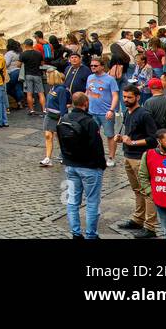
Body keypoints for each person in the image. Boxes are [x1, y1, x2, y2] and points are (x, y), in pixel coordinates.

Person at [57, 91, 106, 239]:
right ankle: (91, 234)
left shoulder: (64, 119)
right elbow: (97, 147)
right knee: (92, 202)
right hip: (89, 167)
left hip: (71, 165)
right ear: (86, 103)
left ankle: (76, 233)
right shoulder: (89, 122)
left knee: (72, 201)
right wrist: (101, 165)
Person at [115, 84, 159, 238]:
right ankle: (138, 219)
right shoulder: (127, 112)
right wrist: (122, 139)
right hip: (128, 157)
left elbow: (153, 140)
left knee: (148, 193)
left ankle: (150, 227)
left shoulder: (144, 114)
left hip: (141, 158)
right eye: (124, 97)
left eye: (129, 97)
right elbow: (129, 135)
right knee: (137, 190)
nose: (126, 100)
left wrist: (132, 142)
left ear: (138, 97)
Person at [86, 56, 120, 167]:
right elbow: (87, 92)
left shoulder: (110, 79)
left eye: (95, 65)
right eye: (91, 65)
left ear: (102, 66)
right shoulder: (90, 77)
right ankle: (96, 155)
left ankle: (111, 157)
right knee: (93, 135)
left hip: (106, 112)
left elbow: (115, 95)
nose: (93, 67)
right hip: (92, 112)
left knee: (110, 135)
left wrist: (111, 110)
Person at [39, 69, 68, 167]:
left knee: (59, 137)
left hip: (57, 116)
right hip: (49, 114)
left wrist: (62, 118)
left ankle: (64, 155)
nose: (47, 79)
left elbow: (63, 105)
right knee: (48, 135)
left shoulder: (61, 89)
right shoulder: (53, 88)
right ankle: (48, 158)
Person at [19, 40, 46, 116]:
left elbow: (18, 64)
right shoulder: (38, 53)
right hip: (37, 74)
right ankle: (44, 109)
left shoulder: (23, 54)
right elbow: (42, 63)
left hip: (28, 75)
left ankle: (32, 110)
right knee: (41, 93)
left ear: (25, 45)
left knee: (29, 93)